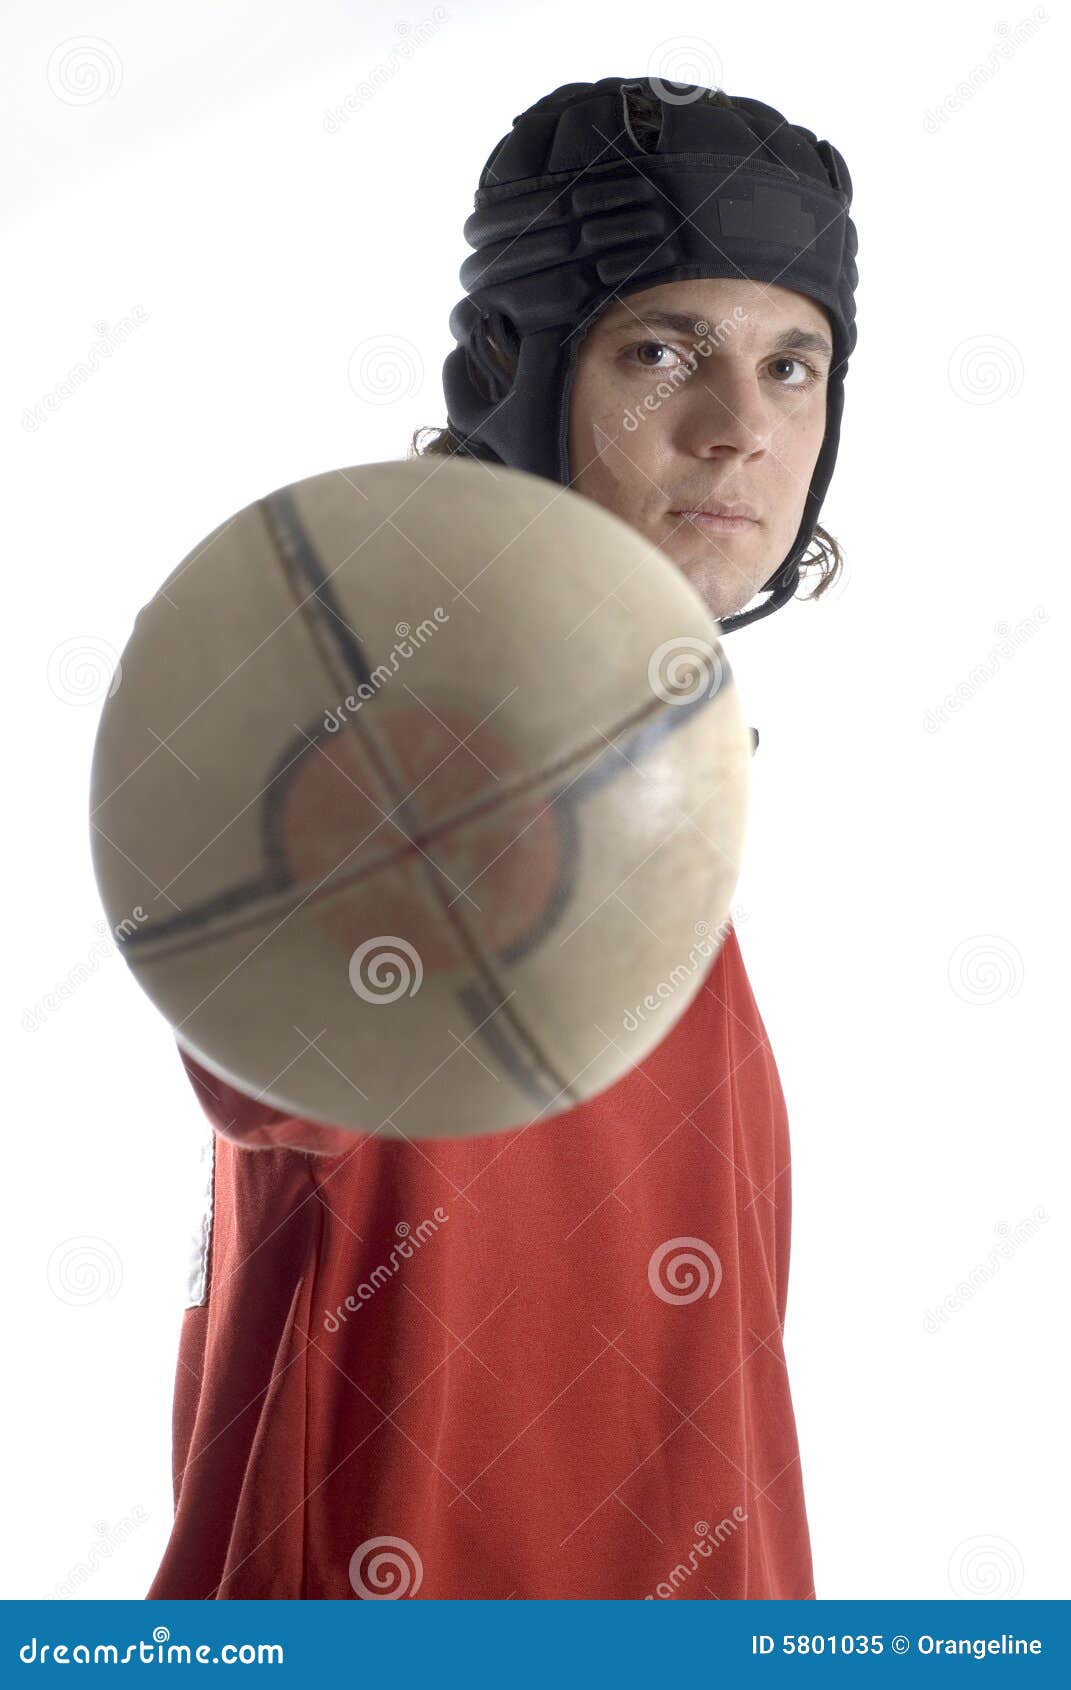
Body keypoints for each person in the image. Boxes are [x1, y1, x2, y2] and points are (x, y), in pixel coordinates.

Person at [147, 76, 859, 1601]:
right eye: (664, 350)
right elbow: (260, 1037)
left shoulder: (654, 787)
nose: (741, 431)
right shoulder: (391, 717)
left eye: (794, 365)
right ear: (506, 373)